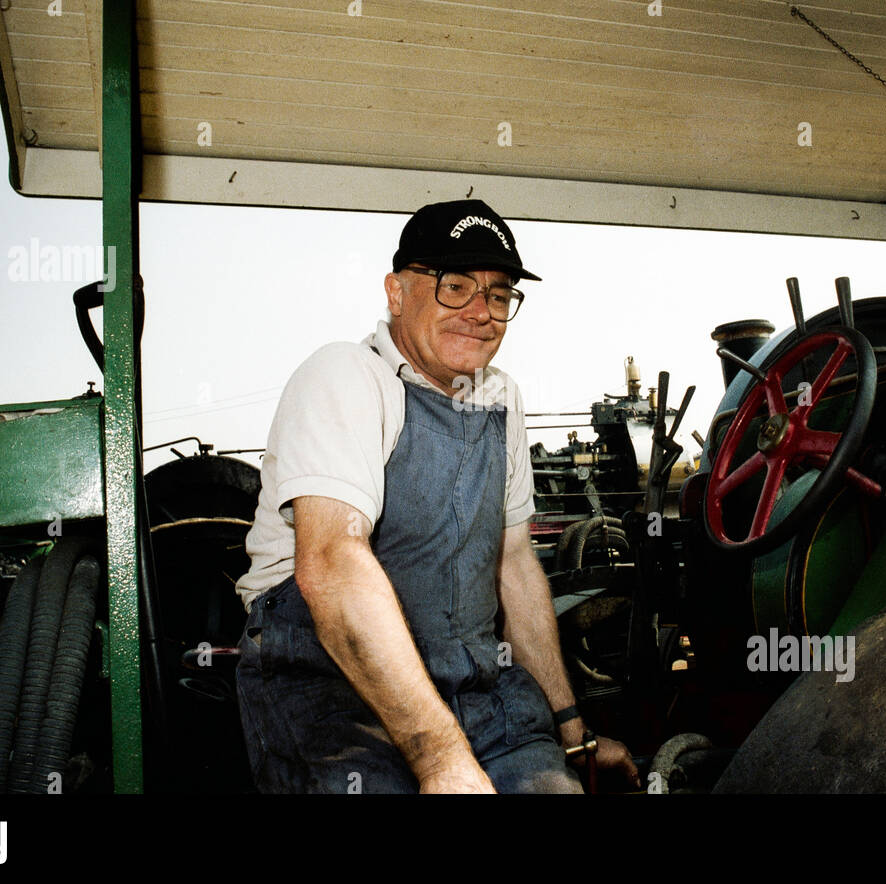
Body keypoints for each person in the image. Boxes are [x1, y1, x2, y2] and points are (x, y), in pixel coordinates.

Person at [234, 199, 639, 794]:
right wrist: (439, 759)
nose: (480, 312)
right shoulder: (344, 376)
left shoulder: (500, 399)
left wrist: (570, 729)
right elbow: (333, 564)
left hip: (474, 687)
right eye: (455, 287)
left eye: (498, 295)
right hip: (332, 692)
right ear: (396, 293)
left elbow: (515, 566)